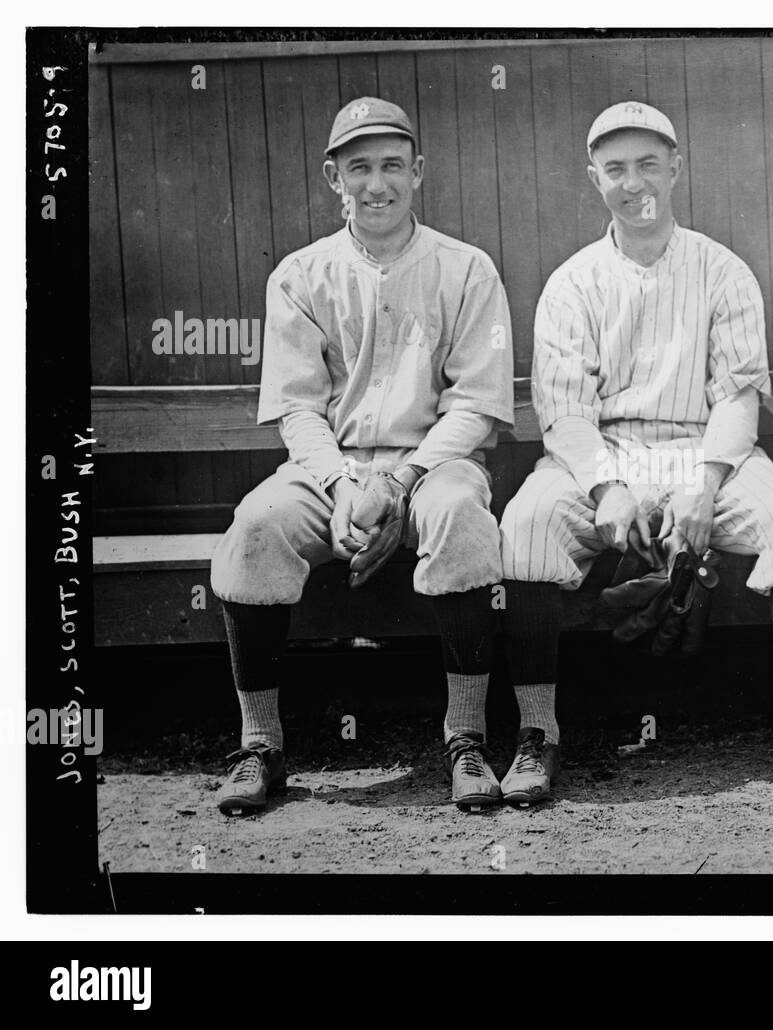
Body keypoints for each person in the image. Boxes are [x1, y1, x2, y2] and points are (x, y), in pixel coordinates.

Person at [497, 101, 773, 803]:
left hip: (706, 453)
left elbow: (737, 394)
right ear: (593, 178)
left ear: (676, 167)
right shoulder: (572, 282)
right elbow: (565, 411)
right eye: (615, 170)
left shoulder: (721, 269)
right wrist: (607, 488)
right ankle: (535, 736)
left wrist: (704, 486)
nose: (633, 182)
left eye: (647, 164)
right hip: (603, 455)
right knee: (525, 529)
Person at [209, 98, 515, 814]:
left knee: (462, 519)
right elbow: (298, 408)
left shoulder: (466, 269)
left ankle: (465, 741)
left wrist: (400, 480)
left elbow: (474, 403)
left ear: (417, 172)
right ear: (332, 178)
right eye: (358, 168)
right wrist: (347, 484)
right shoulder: (299, 274)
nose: (376, 184)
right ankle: (261, 746)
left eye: (389, 166)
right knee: (256, 525)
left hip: (432, 464)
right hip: (329, 476)